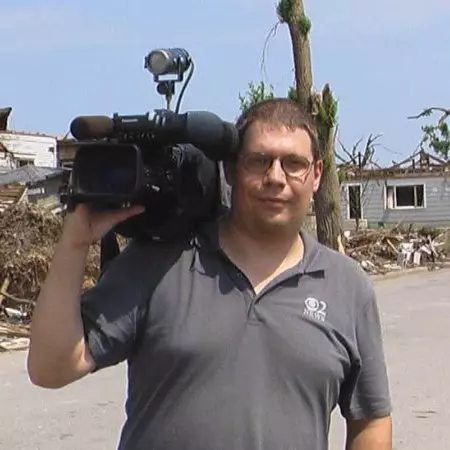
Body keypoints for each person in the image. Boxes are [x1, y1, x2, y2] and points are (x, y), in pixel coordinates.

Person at [27, 98, 393, 450]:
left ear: (316, 175)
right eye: (260, 161)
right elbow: (50, 367)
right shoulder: (158, 262)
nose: (275, 178)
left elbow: (371, 418)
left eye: (293, 163)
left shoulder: (347, 286)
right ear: (231, 170)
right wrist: (75, 242)